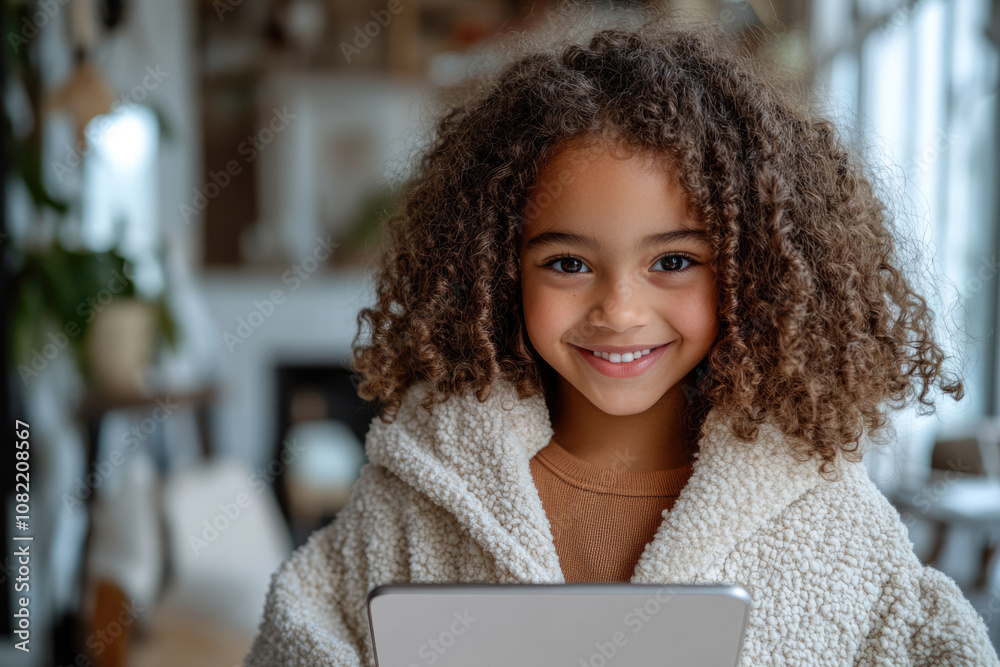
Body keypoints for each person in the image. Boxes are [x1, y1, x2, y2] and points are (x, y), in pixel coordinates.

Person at [244, 5, 1000, 666]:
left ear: (756, 274)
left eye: (673, 262)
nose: (620, 309)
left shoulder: (823, 507)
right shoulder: (422, 488)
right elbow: (301, 636)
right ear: (497, 273)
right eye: (568, 263)